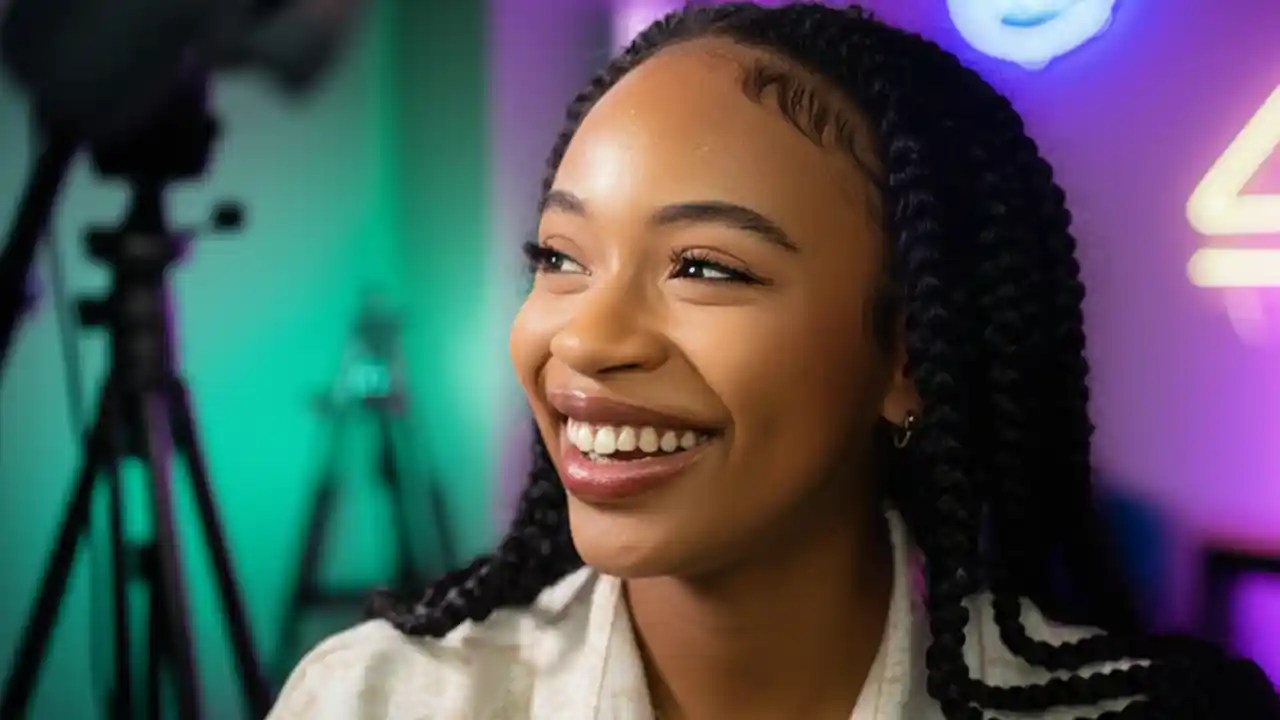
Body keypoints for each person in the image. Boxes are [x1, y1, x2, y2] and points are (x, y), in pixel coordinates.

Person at [266, 3, 1280, 718]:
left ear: (906, 355)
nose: (583, 339)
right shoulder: (376, 701)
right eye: (559, 258)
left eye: (704, 266)